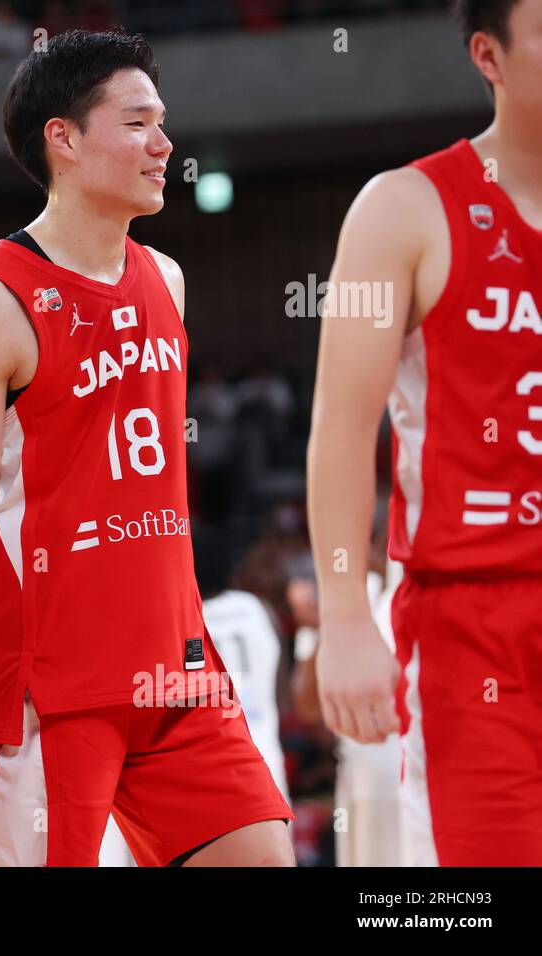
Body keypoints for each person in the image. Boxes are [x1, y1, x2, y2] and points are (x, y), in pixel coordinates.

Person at [0, 29, 294, 867]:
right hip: (46, 688)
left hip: (175, 669)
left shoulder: (167, 278)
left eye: (163, 123)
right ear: (63, 138)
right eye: (137, 124)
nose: (165, 145)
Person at [308, 0, 542, 865]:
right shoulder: (405, 208)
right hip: (473, 623)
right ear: (492, 54)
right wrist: (343, 617)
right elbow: (340, 430)